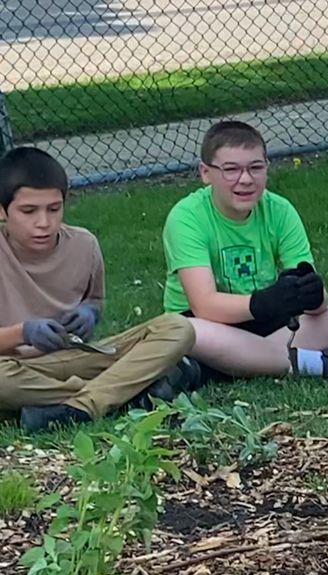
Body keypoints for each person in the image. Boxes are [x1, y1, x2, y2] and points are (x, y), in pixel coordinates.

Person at [162, 121, 328, 380]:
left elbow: (315, 298)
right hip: (211, 322)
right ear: (205, 172)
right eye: (231, 170)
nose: (245, 179)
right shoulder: (186, 217)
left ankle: (226, 366)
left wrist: (312, 296)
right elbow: (204, 305)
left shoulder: (280, 210)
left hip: (265, 322)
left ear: (267, 168)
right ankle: (313, 363)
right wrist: (264, 302)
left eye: (255, 168)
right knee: (186, 331)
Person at [0, 147, 198, 432]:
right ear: (3, 211)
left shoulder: (84, 244)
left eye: (54, 209)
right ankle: (123, 394)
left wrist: (90, 311)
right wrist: (23, 332)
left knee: (178, 327)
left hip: (81, 355)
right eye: (28, 211)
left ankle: (73, 407)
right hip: (17, 368)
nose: (43, 223)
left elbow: (95, 299)